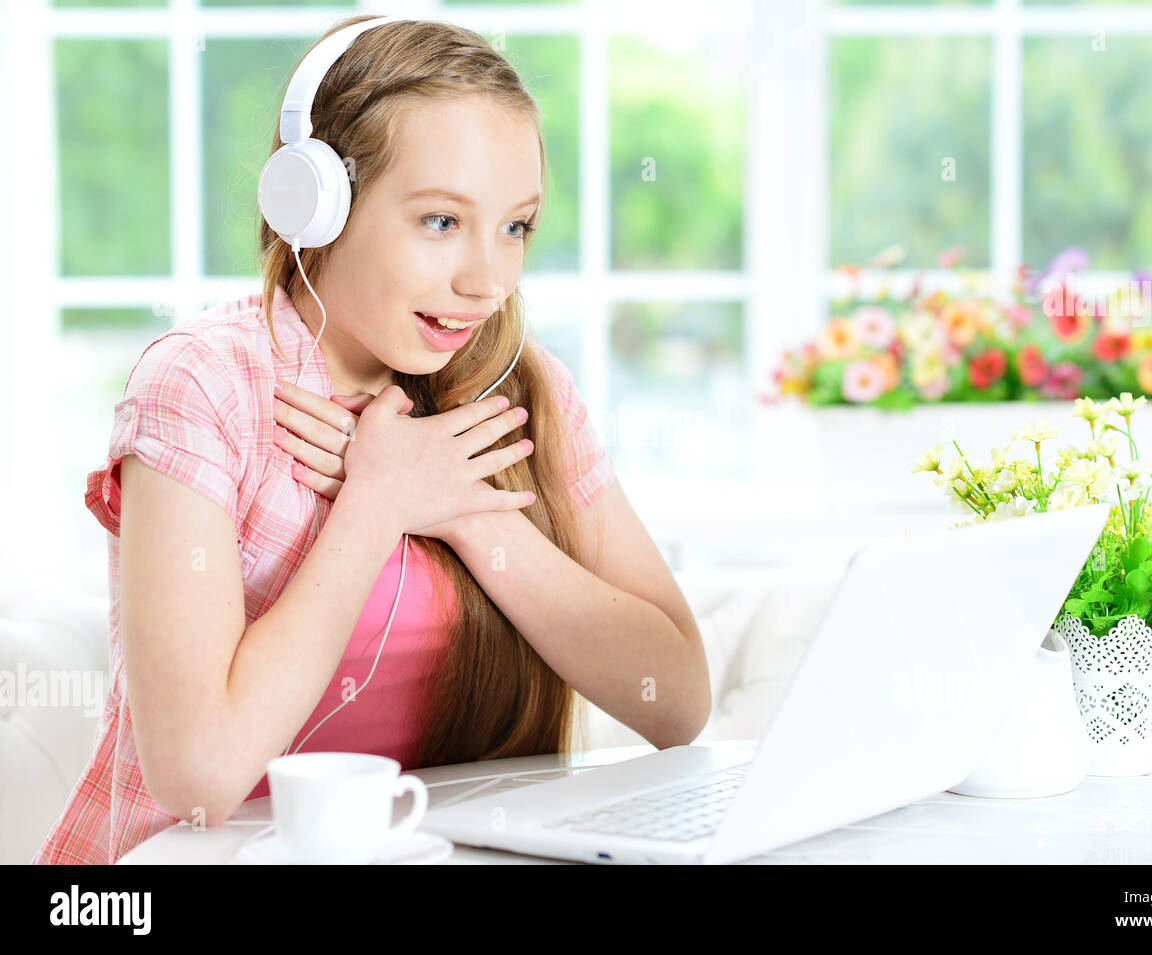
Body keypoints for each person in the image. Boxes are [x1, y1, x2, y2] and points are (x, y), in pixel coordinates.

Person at [34, 15, 709, 865]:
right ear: (316, 204)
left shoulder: (521, 388)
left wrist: (465, 513)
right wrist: (376, 504)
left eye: (516, 227)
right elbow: (200, 780)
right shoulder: (204, 386)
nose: (488, 282)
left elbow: (677, 700)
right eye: (441, 221)